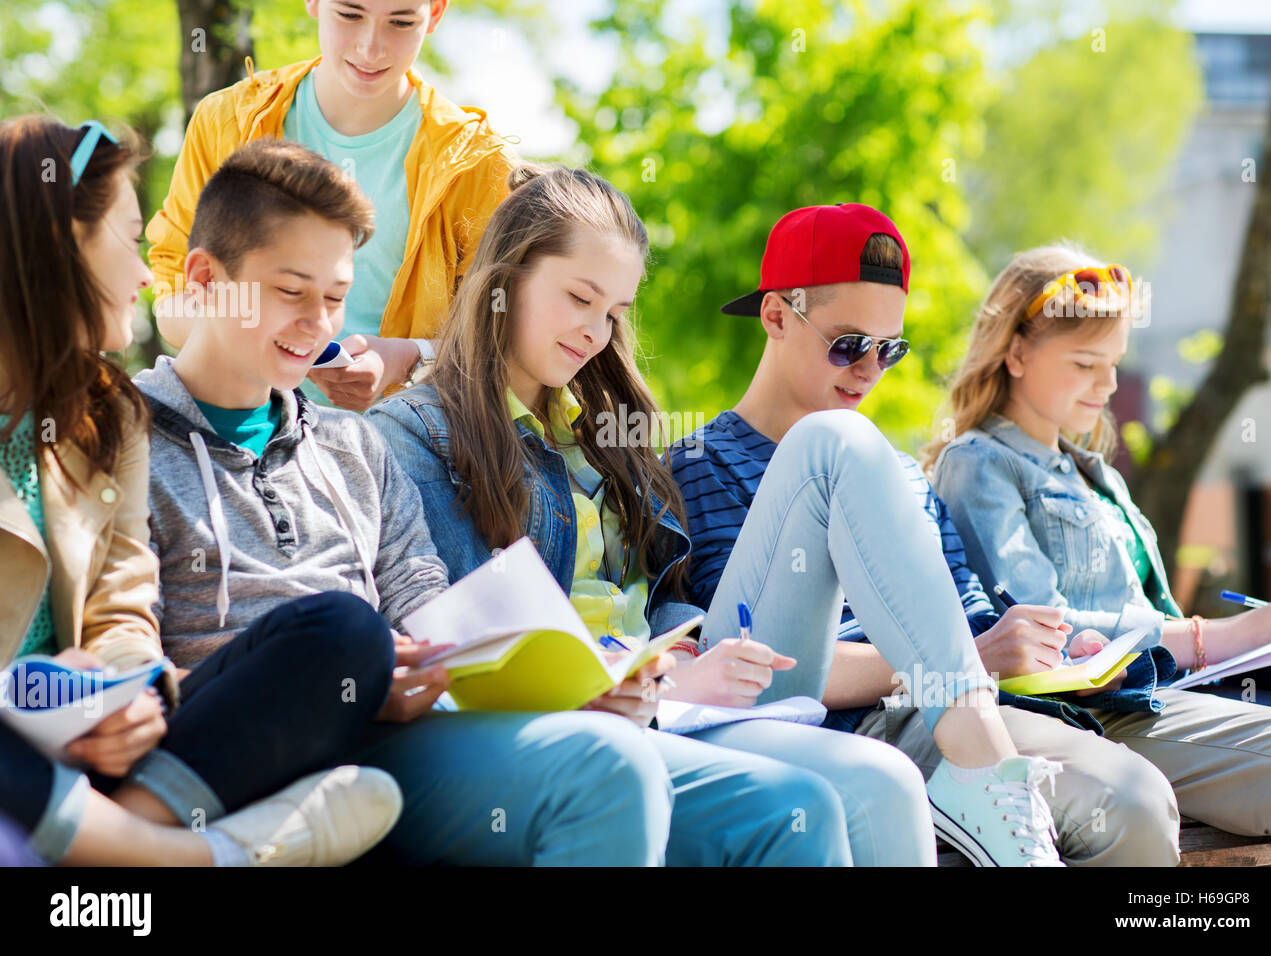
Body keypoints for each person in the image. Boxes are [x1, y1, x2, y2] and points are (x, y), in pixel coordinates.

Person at [141, 140, 848, 866]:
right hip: (251, 742)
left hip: (402, 732)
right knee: (592, 755)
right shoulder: (127, 442)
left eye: (333, 299)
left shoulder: (351, 448)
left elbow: (429, 607)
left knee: (802, 804)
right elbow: (122, 650)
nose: (319, 324)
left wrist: (421, 670)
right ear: (203, 279)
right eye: (294, 293)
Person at [367, 164, 984, 867]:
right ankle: (989, 767)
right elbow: (451, 630)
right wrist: (651, 683)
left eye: (615, 313)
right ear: (505, 280)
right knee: (803, 805)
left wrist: (682, 651)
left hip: (669, 704)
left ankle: (990, 771)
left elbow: (654, 598)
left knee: (881, 777)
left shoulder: (606, 436)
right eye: (580, 298)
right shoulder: (416, 434)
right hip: (565, 725)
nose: (596, 332)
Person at [669, 207, 1191, 866]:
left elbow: (969, 614)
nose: (868, 370)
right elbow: (752, 660)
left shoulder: (903, 478)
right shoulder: (696, 466)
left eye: (889, 350)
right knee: (844, 440)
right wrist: (955, 659)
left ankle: (986, 777)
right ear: (776, 317)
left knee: (1135, 801)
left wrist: (1031, 644)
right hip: (827, 723)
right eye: (847, 343)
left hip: (947, 709)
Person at [0, 115, 402, 867]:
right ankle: (182, 859)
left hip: (79, 747)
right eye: (127, 239)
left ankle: (132, 835)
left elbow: (120, 605)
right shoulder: (149, 412)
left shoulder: (104, 412)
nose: (149, 275)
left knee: (345, 635)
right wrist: (27, 689)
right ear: (60, 248)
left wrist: (129, 687)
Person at [928, 243, 1271, 864]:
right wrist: (1221, 635)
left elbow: (1151, 609)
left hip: (1172, 695)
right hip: (1097, 716)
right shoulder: (978, 465)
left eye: (1115, 363)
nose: (1109, 384)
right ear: (1015, 352)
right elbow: (1037, 634)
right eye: (1084, 363)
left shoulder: (1095, 473)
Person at [147, 0, 514, 410]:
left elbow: (502, 338)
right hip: (235, 433)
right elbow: (174, 296)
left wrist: (408, 359)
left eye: (401, 21)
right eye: (350, 15)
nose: (370, 49)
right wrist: (268, 344)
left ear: (436, 13)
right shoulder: (227, 121)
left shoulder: (476, 163)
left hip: (398, 444)